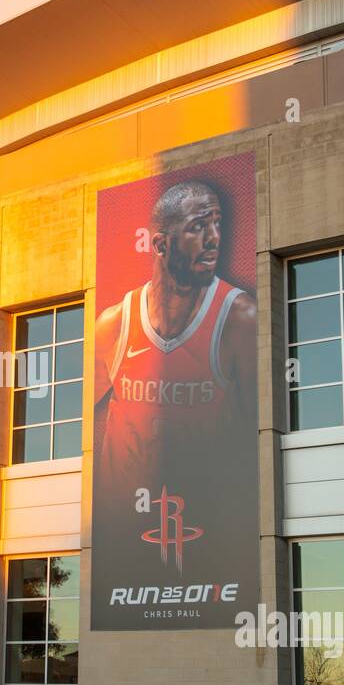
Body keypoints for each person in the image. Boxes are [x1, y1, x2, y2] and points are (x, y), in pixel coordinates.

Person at [93, 178, 256, 496]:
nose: (214, 239)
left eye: (217, 223)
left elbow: (258, 431)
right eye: (198, 227)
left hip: (203, 522)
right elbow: (83, 423)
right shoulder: (114, 324)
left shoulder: (239, 318)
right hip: (123, 525)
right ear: (160, 245)